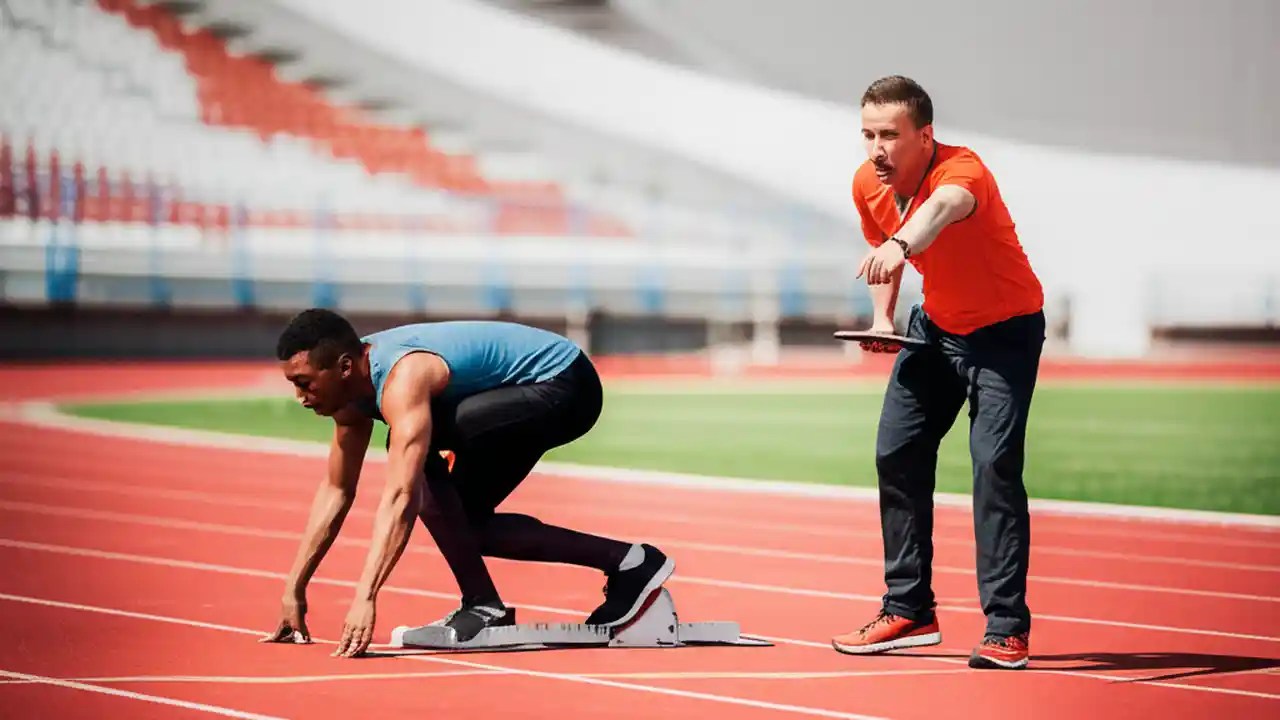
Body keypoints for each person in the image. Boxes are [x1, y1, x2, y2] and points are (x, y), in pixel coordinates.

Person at [259, 309, 674, 657]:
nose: (301, 397)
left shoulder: (403, 376)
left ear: (344, 367)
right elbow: (337, 491)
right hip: (526, 390)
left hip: (566, 383)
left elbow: (401, 495)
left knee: (416, 459)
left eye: (304, 382)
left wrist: (366, 596)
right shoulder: (349, 397)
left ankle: (481, 604)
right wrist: (294, 587)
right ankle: (632, 563)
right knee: (467, 526)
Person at [830, 76, 1045, 670]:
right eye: (868, 134)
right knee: (895, 450)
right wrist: (881, 317)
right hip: (936, 327)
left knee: (994, 467)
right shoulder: (866, 184)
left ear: (925, 136)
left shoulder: (963, 173)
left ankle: (1006, 627)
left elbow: (940, 212)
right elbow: (884, 252)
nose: (877, 148)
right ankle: (909, 609)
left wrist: (902, 241)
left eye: (890, 135)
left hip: (1005, 332)